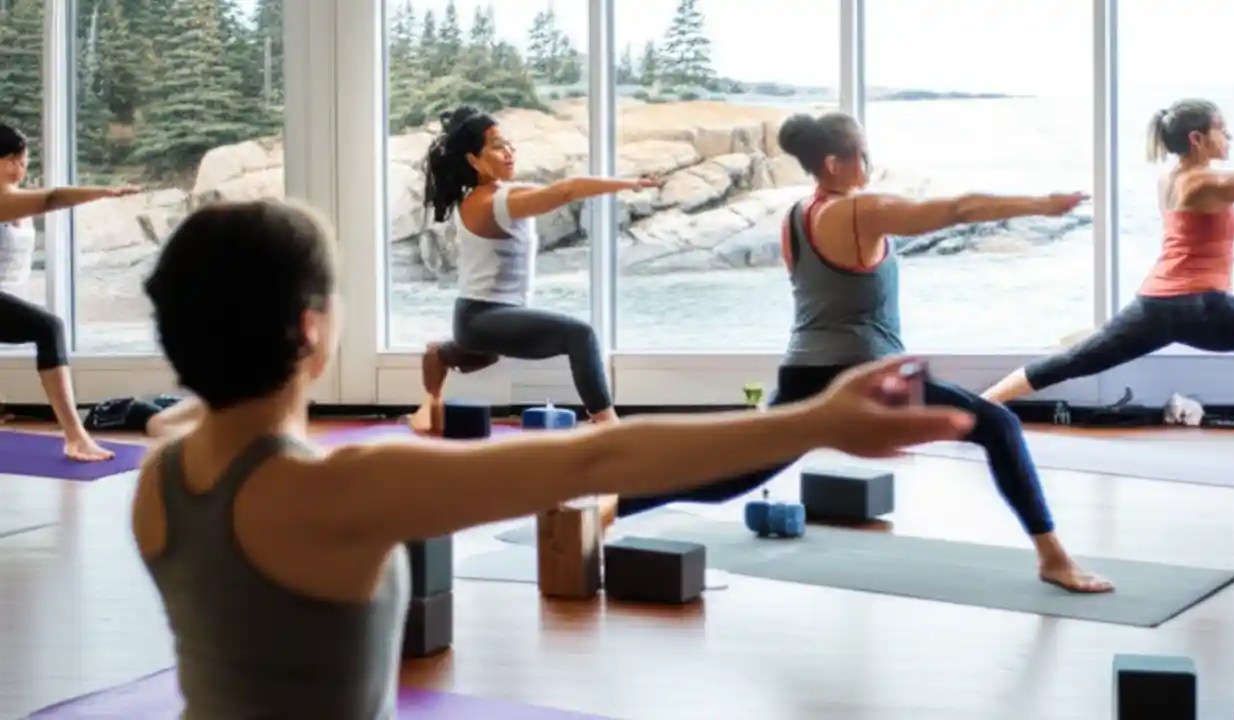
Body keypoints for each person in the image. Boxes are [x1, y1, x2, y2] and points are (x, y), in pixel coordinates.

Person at [130, 198, 973, 718]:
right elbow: (592, 461)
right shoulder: (332, 494)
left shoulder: (160, 473)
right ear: (312, 330)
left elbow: (195, 407)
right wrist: (812, 421)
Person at [619, 111, 1113, 593]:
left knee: (730, 477)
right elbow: (957, 210)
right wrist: (1040, 204)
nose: (869, 164)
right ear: (834, 163)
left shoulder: (795, 218)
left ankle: (608, 503)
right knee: (1000, 426)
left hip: (804, 373)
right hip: (859, 374)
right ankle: (1054, 559)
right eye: (862, 155)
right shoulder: (860, 212)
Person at [983, 98, 1234, 405]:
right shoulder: (1209, 182)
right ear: (1197, 138)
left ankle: (980, 405)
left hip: (1156, 304)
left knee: (1074, 360)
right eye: (1222, 129)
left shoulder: (1171, 177)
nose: (1229, 136)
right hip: (1200, 307)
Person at [406, 105, 656, 435]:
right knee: (579, 335)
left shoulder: (485, 197)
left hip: (476, 317)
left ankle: (433, 380)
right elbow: (565, 190)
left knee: (477, 353)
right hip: (484, 319)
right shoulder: (493, 203)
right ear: (474, 161)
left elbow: (551, 190)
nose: (508, 151)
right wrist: (627, 184)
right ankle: (609, 428)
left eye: (507, 142)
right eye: (495, 146)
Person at [0, 123, 140, 461]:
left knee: (46, 329)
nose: (21, 167)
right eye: (13, 159)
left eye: (24, 160)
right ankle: (76, 437)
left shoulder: (15, 198)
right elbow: (52, 198)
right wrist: (104, 193)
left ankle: (76, 436)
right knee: (49, 327)